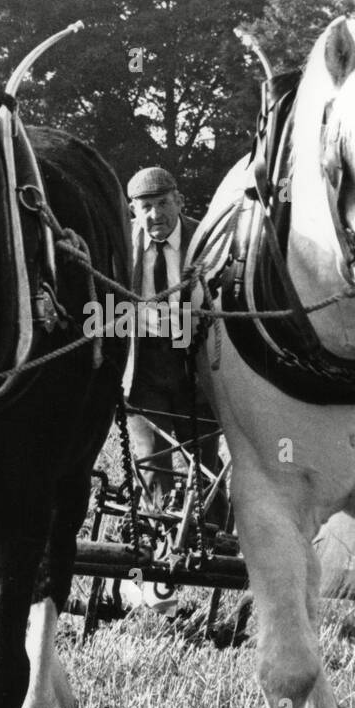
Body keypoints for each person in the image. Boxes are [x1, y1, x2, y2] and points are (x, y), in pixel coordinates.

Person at [123, 165, 228, 532]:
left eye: (163, 203)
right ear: (133, 210)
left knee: (205, 465)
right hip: (143, 368)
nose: (156, 215)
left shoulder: (207, 240)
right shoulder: (122, 245)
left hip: (193, 364)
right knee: (153, 462)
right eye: (146, 206)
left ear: (179, 201)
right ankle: (159, 550)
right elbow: (102, 306)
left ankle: (215, 545)